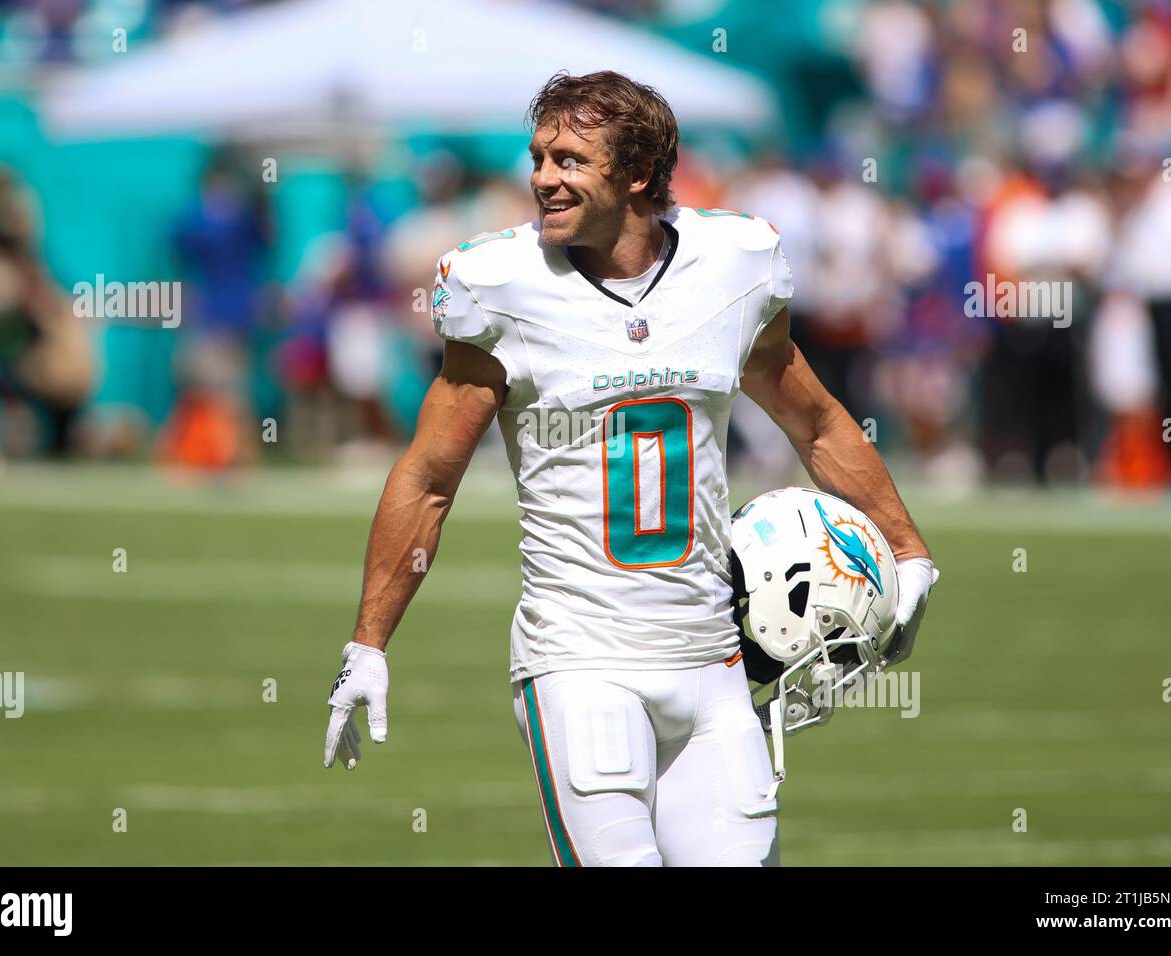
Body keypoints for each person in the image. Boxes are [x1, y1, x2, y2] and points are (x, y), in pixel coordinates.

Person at [322, 71, 939, 866]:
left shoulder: (734, 263)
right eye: (539, 156)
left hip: (714, 663)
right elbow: (429, 478)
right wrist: (369, 642)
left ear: (638, 173)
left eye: (572, 159)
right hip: (580, 664)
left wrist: (909, 548)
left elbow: (814, 422)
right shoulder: (502, 285)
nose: (544, 177)